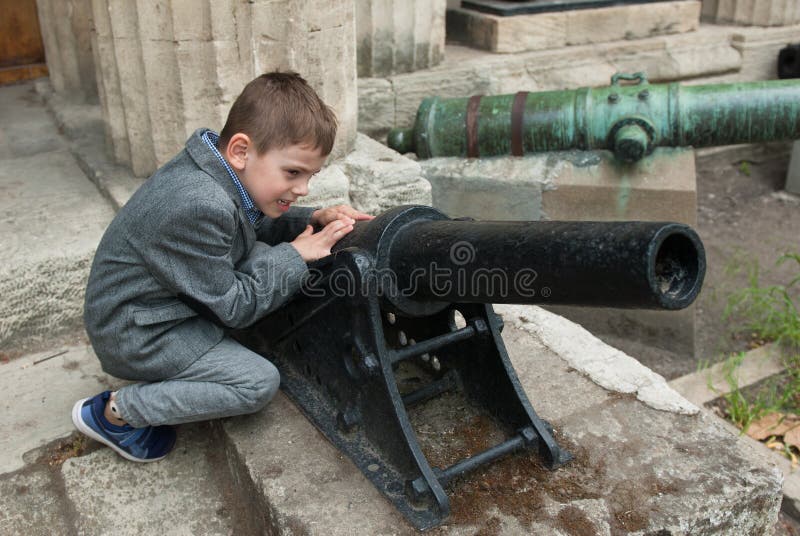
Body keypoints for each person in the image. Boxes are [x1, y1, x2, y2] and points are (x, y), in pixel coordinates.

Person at [72, 72, 373, 462]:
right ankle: (116, 414)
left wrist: (312, 219)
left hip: (157, 307)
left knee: (265, 258)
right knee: (256, 383)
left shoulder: (218, 172)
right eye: (293, 173)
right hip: (138, 334)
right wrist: (296, 255)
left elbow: (250, 223)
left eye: (309, 176)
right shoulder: (201, 203)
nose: (303, 188)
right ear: (241, 151)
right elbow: (233, 306)